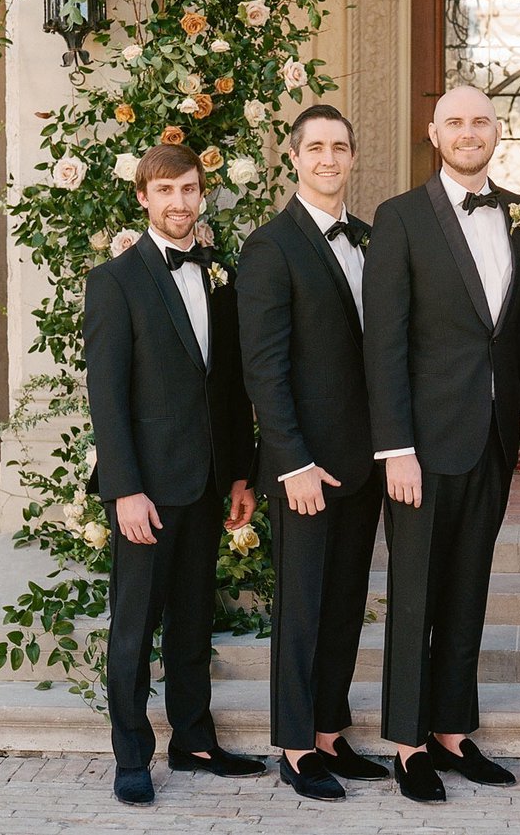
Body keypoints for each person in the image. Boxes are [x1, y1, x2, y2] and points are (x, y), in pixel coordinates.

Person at [362, 85, 520, 802]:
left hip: (492, 439)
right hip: (422, 446)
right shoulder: (399, 218)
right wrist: (394, 446)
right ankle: (407, 742)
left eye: (481, 122)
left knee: (469, 589)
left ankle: (452, 731)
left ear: (497, 132)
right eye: (456, 122)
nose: (470, 133)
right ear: (432, 132)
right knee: (415, 595)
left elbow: (515, 333)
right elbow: (385, 342)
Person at [84, 144, 265, 806]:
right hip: (145, 491)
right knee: (134, 626)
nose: (180, 202)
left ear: (202, 193)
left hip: (209, 481)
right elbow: (108, 395)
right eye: (166, 191)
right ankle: (132, 753)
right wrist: (124, 489)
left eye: (189, 189)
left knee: (192, 620)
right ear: (143, 197)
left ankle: (194, 740)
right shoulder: (114, 281)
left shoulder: (220, 271)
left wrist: (242, 474)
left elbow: (231, 385)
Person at [237, 105, 388, 801]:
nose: (329, 157)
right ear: (293, 156)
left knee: (345, 601)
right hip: (305, 467)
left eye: (340, 146)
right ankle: (296, 748)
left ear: (353, 157)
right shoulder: (271, 246)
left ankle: (330, 732)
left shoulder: (368, 238)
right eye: (316, 147)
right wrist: (291, 460)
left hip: (362, 462)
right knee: (301, 607)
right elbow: (264, 366)